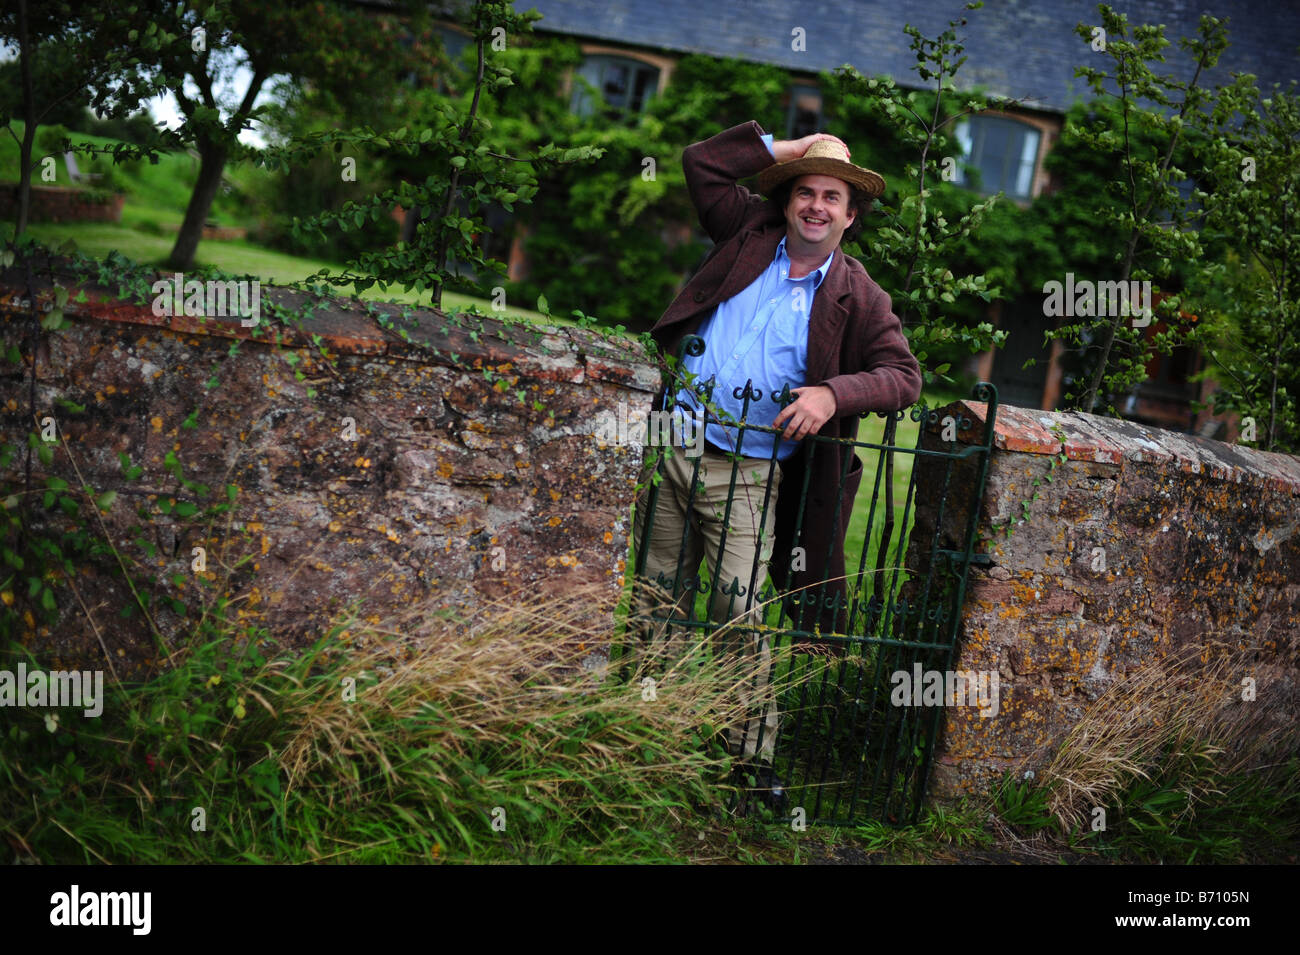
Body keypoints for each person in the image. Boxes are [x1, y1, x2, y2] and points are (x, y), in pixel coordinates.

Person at [632, 121, 921, 807]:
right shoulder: (746, 232)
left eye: (833, 196)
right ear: (788, 198)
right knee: (656, 598)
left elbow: (903, 376)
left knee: (738, 610)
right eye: (806, 191)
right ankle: (646, 732)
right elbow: (702, 162)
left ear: (851, 215)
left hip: (751, 472)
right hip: (678, 446)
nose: (816, 205)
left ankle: (750, 762)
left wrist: (832, 393)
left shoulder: (859, 292)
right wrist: (793, 150)